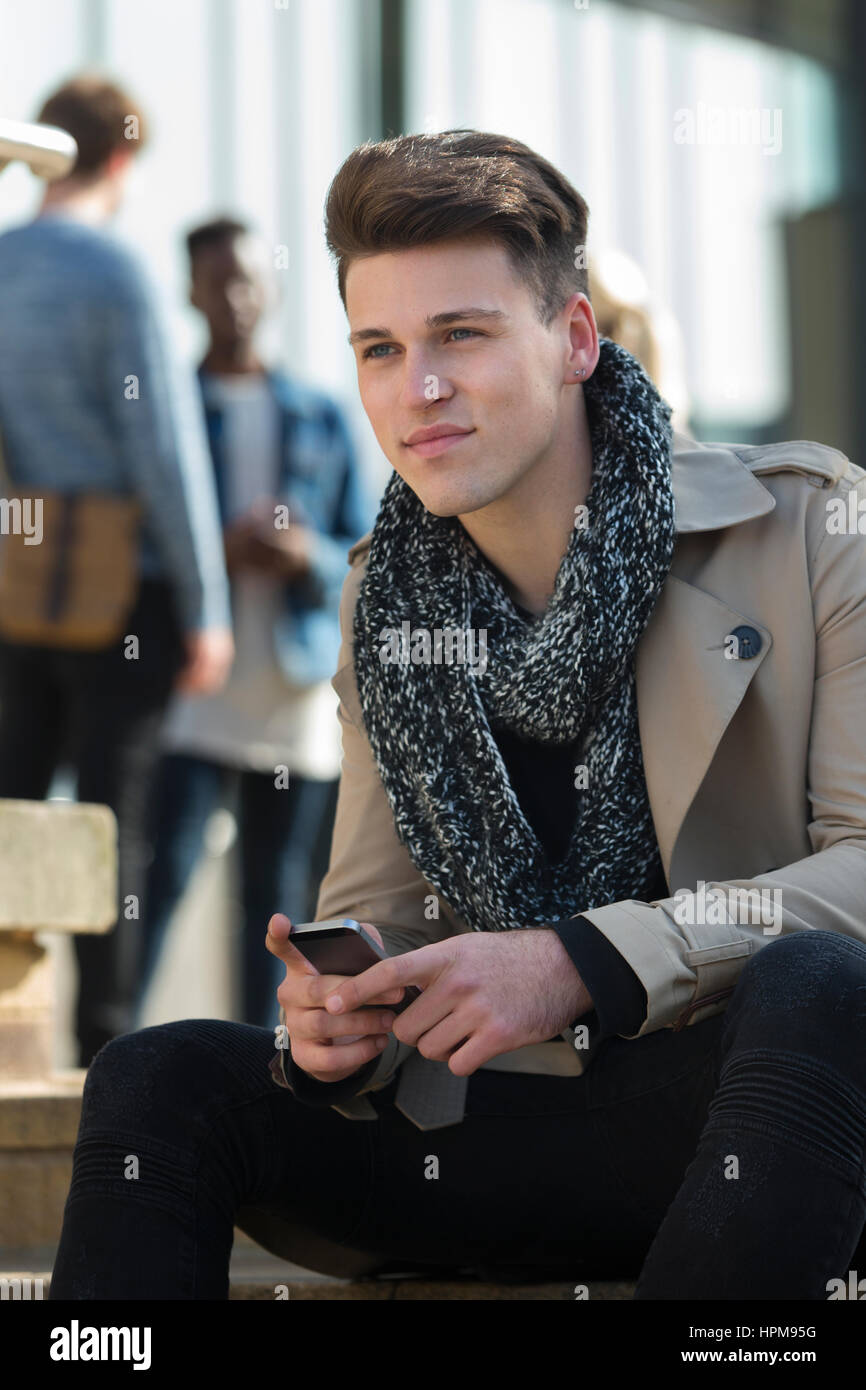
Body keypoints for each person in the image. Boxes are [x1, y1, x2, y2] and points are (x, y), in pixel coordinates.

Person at [49, 130, 866, 1300]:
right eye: (378, 348)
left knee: (821, 985)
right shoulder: (383, 594)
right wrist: (347, 1006)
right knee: (157, 1075)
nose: (415, 389)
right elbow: (376, 911)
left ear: (574, 338)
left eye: (460, 336)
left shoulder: (802, 527)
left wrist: (579, 959)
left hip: (759, 1126)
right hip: (498, 1125)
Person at [0, 75, 233, 1066]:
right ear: (124, 159)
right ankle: (107, 1059)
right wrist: (207, 604)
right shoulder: (117, 274)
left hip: (11, 572)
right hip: (119, 588)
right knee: (112, 826)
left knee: (8, 804)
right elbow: (164, 455)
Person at [136, 216, 373, 1029]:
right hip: (190, 684)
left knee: (275, 897)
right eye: (215, 281)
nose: (234, 297)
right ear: (190, 292)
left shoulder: (319, 412)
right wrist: (209, 554)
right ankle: (113, 1051)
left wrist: (302, 554)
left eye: (246, 279)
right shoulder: (167, 407)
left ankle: (256, 1066)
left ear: (268, 288)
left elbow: (363, 546)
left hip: (292, 684)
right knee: (159, 873)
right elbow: (136, 542)